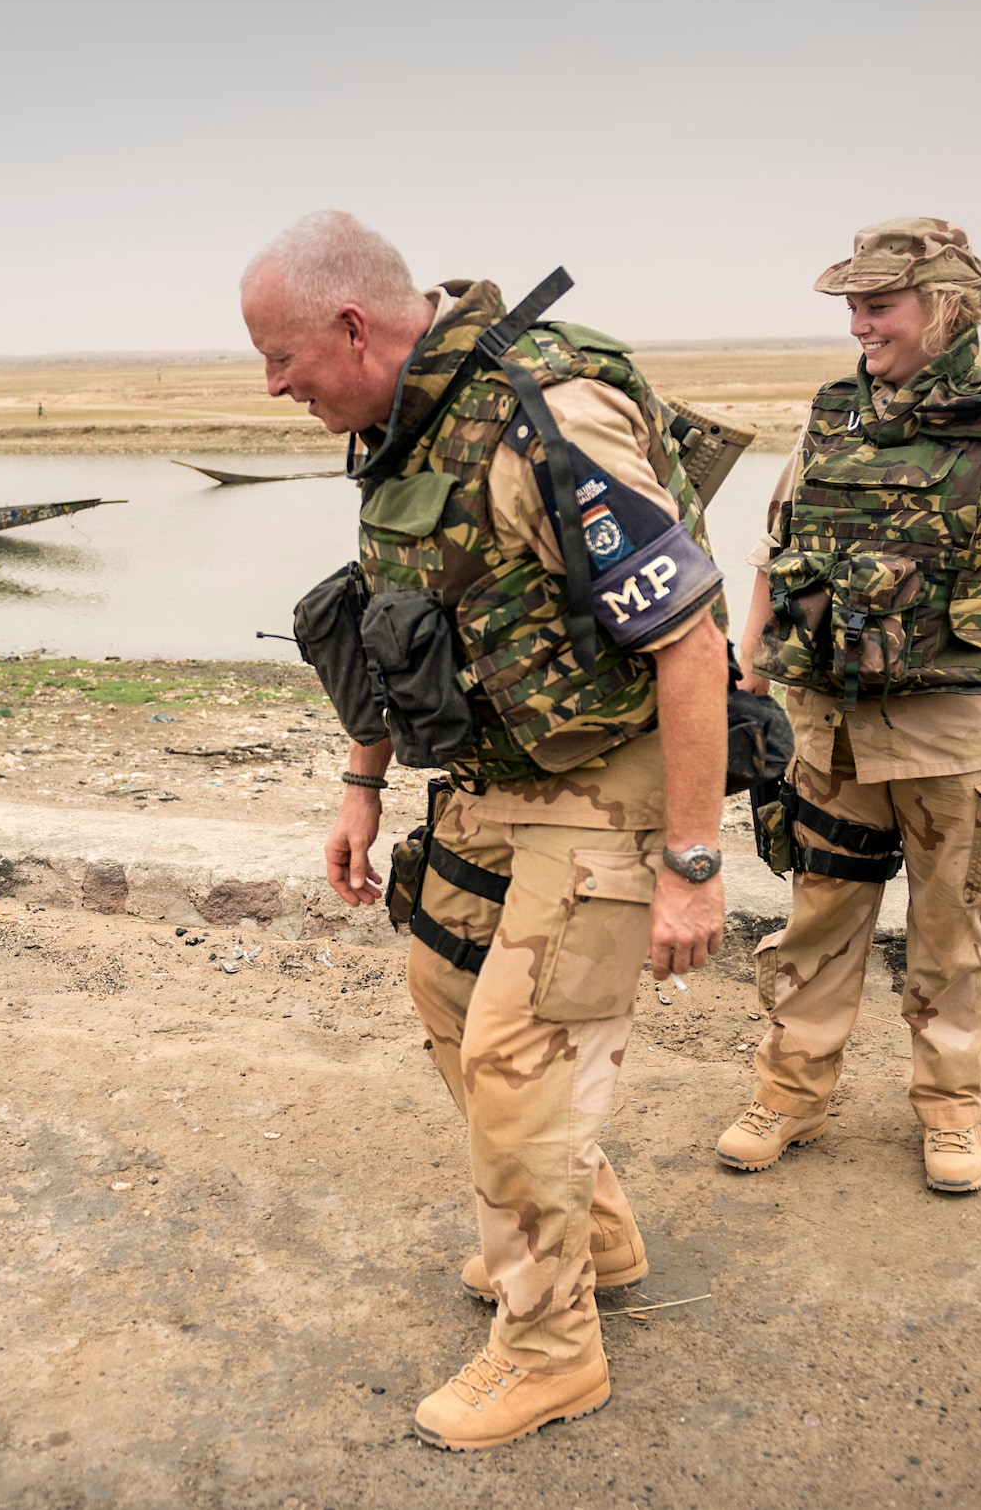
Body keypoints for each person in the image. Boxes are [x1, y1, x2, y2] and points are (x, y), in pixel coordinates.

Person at [241, 211, 730, 1451]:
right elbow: (387, 622)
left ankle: (552, 1350)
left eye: (281, 354)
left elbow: (692, 643)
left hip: (606, 778)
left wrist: (689, 864)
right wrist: (361, 786)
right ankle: (592, 1233)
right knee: (444, 997)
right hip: (484, 778)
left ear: (353, 325)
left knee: (519, 1070)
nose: (272, 383)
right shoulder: (403, 424)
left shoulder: (547, 415)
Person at [722, 219, 981, 1191]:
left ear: (945, 308)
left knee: (950, 936)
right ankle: (789, 1093)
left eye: (878, 303)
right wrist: (748, 662)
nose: (859, 322)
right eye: (850, 304)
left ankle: (948, 1111)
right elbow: (777, 545)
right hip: (834, 736)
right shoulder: (830, 415)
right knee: (817, 920)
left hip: (957, 739)